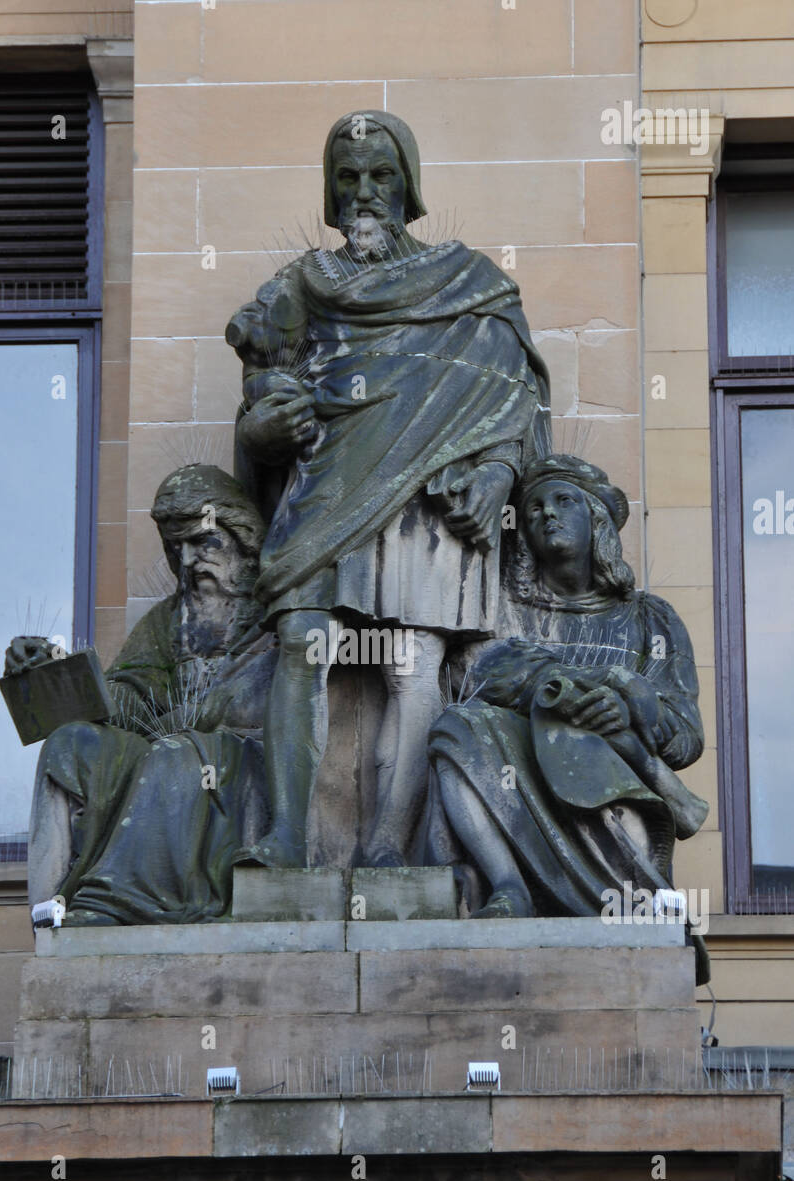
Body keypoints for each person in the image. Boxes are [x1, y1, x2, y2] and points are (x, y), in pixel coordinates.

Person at [230, 109, 552, 868]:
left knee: (411, 664)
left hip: (428, 497)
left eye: (380, 176)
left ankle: (386, 855)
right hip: (327, 483)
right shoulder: (303, 284)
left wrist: (499, 474)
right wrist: (265, 431)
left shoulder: (469, 281)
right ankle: (283, 841)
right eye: (347, 179)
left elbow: (516, 396)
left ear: (408, 186)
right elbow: (258, 391)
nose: (363, 193)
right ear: (329, 191)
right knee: (300, 643)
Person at [424, 453, 710, 978]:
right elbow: (469, 683)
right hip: (522, 770)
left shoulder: (650, 619)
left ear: (596, 520)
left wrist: (631, 701)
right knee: (457, 728)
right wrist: (552, 690)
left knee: (591, 748)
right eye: (532, 510)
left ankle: (629, 886)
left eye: (563, 502)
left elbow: (685, 740)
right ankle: (508, 885)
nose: (546, 515)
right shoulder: (500, 609)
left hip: (613, 787)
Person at [3, 465, 276, 924]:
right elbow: (127, 698)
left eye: (204, 542)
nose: (191, 560)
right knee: (70, 745)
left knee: (175, 755)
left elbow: (277, 697)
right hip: (167, 749)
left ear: (242, 540)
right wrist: (52, 673)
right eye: (179, 548)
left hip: (244, 758)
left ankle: (115, 903)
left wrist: (197, 717)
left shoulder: (275, 611)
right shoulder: (168, 620)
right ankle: (49, 915)